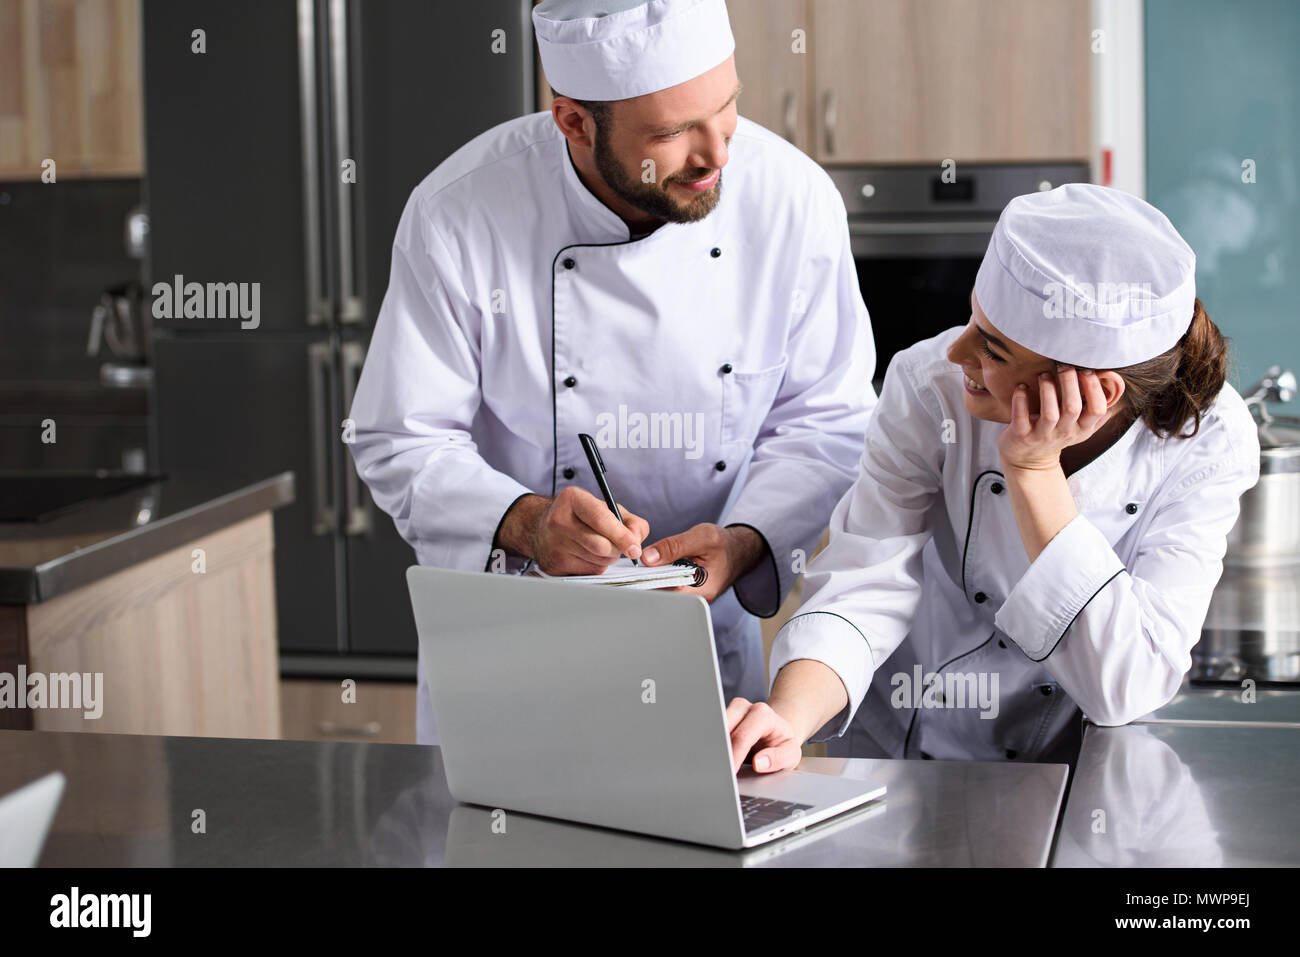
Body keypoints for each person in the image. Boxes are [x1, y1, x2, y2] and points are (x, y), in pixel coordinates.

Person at [347, 0, 876, 743]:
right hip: (512, 662)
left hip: (704, 659)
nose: (717, 153)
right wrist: (529, 524)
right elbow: (399, 438)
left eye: (727, 109)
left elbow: (827, 421)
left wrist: (744, 541)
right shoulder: (459, 213)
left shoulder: (794, 201)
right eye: (672, 133)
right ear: (573, 122)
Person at [726, 183, 1261, 769]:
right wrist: (789, 717)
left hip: (1070, 768)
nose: (957, 354)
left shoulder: (1210, 439)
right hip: (902, 748)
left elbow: (1126, 687)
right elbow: (865, 582)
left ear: (1097, 392)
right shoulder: (929, 388)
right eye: (973, 320)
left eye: (994, 350)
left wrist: (1033, 472)